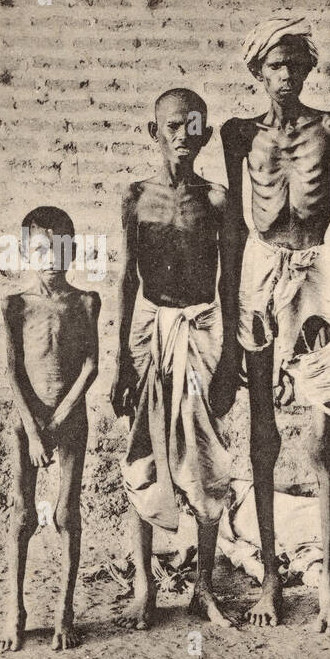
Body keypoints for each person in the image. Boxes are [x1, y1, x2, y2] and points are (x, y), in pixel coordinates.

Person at [222, 14, 330, 631]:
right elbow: (231, 229)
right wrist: (231, 318)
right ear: (257, 71)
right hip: (259, 269)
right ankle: (273, 580)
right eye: (274, 66)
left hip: (318, 273)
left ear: (308, 69)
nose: (285, 76)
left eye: (295, 65)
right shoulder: (236, 134)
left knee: (323, 431)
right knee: (263, 428)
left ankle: (328, 582)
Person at [111, 88, 240, 630]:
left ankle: (203, 589)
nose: (183, 134)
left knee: (207, 461)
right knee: (143, 452)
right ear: (153, 130)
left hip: (203, 329)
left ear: (206, 135)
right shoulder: (135, 196)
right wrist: (120, 356)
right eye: (172, 124)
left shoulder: (217, 200)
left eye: (194, 125)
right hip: (148, 331)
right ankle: (144, 586)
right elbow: (125, 278)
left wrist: (230, 353)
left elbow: (230, 281)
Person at [0, 206, 100, 651]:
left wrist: (61, 416)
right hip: (26, 423)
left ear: (72, 251)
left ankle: (64, 610)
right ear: (24, 252)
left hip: (70, 417)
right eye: (40, 249)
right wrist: (35, 428)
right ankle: (13, 611)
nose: (50, 258)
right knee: (22, 514)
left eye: (60, 249)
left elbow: (92, 365)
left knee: (66, 513)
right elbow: (12, 371)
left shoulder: (85, 302)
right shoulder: (14, 305)